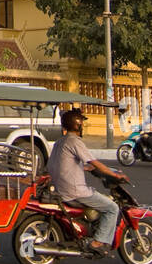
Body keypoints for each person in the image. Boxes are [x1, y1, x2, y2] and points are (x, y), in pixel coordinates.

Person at [49, 108, 128, 254]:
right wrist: (115, 175)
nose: (83, 127)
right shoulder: (75, 141)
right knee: (112, 208)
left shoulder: (60, 142)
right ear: (77, 125)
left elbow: (66, 164)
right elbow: (94, 161)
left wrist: (85, 168)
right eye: (82, 124)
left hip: (60, 188)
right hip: (75, 191)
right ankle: (98, 242)